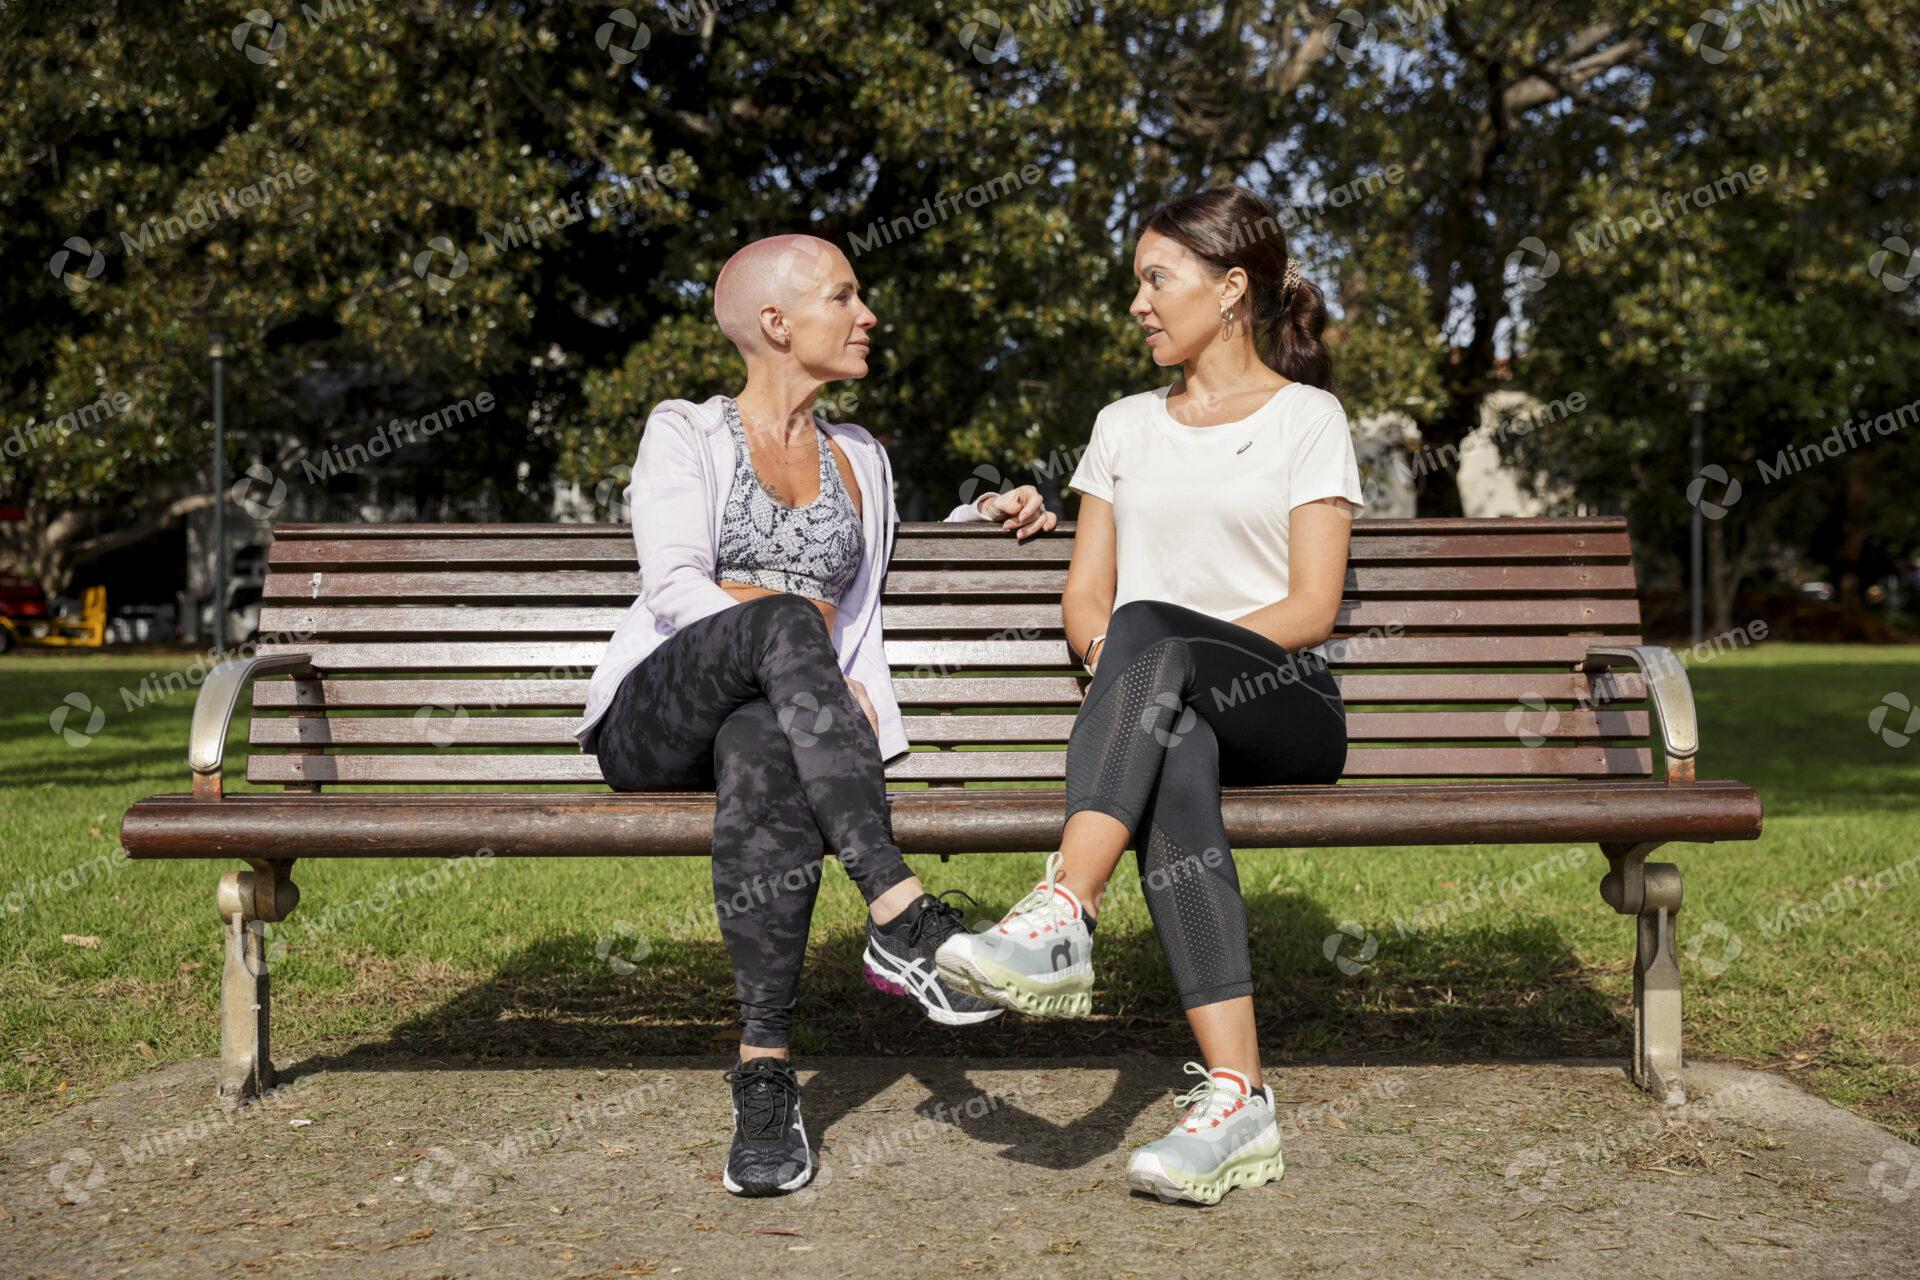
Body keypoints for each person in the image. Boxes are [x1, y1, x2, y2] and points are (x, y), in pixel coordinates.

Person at [576, 234, 1056, 1197]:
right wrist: (803, 665)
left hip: (771, 726)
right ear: (776, 324)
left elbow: (880, 584)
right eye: (846, 296)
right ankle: (898, 910)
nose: (867, 314)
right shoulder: (685, 430)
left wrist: (986, 520)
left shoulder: (861, 456)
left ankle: (763, 1077)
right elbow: (673, 588)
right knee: (784, 624)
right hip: (659, 715)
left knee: (765, 745)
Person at [936, 185, 1366, 1205]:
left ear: (1229, 290)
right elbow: (1085, 593)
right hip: (1175, 715)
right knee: (1170, 738)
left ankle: (1062, 908)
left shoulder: (1310, 419)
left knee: (1152, 633)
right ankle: (1237, 1097)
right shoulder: (1122, 425)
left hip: (1285, 700)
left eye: (1155, 279)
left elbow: (1311, 606)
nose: (1136, 301)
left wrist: (1157, 654)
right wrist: (1137, 668)